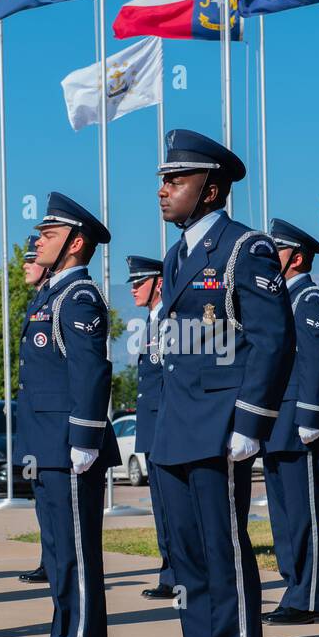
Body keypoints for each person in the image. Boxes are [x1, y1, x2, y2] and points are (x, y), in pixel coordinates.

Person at [149, 129, 295, 637]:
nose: (163, 190)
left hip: (218, 425)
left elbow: (272, 339)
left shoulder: (244, 248)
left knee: (224, 555)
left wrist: (251, 421)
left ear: (211, 190)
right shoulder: (177, 255)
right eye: (162, 180)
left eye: (175, 180)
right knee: (187, 561)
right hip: (176, 426)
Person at [14, 192, 119, 637]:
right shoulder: (50, 295)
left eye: (49, 234)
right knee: (58, 552)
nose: (38, 241)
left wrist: (84, 439)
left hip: (69, 446)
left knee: (75, 552)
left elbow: (91, 373)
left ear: (76, 243)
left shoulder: (78, 297)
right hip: (48, 446)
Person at [260, 219, 319, 626]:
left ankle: (311, 598)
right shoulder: (279, 300)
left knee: (304, 514)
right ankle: (294, 590)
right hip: (275, 423)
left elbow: (317, 361)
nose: (270, 256)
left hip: (298, 424)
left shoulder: (309, 300)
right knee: (283, 516)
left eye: (278, 249)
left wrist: (311, 415)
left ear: (298, 257)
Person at [126, 254, 176, 601]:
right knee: (161, 508)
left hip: (167, 427)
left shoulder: (170, 321)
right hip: (152, 426)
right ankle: (169, 574)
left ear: (158, 283)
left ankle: (179, 575)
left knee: (173, 508)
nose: (133, 288)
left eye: (139, 281)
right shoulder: (151, 322)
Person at [17, 234, 52, 586]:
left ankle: (55, 560)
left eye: (32, 259)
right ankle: (49, 559)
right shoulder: (39, 302)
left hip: (52, 424)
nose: (26, 265)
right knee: (41, 498)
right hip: (36, 424)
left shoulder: (62, 300)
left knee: (55, 502)